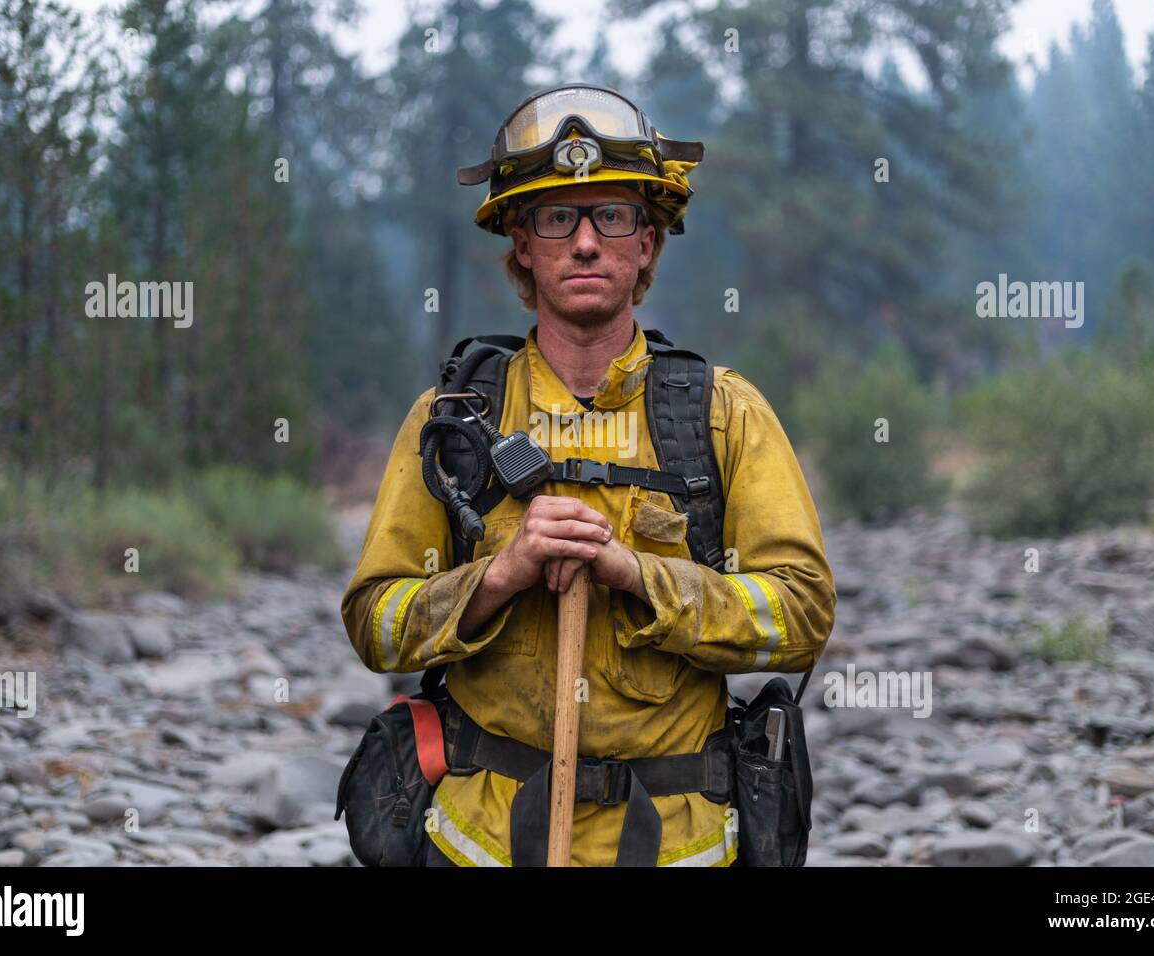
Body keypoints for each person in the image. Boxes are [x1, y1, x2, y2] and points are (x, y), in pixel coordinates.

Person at [342, 84, 836, 866]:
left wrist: (639, 577)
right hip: (481, 844)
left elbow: (801, 614)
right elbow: (375, 622)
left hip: (680, 847)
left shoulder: (723, 414)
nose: (584, 242)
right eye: (555, 216)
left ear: (647, 244)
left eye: (611, 215)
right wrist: (498, 577)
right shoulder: (452, 421)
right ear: (521, 245)